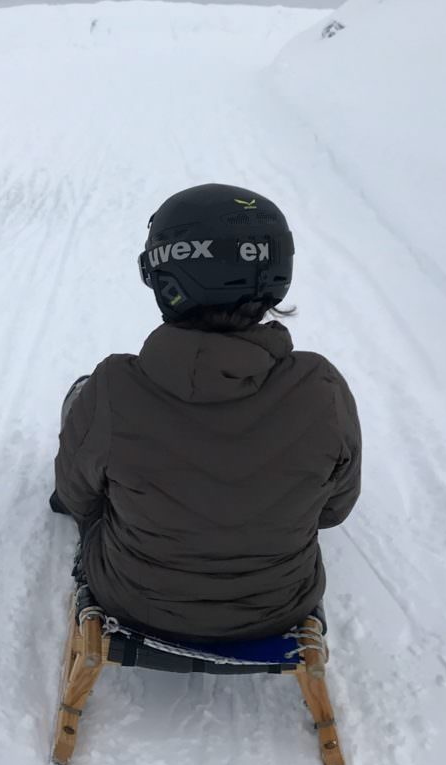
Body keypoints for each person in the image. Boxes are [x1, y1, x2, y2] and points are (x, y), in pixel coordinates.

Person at [52, 184, 362, 641]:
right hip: (280, 605)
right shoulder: (322, 386)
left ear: (166, 276)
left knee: (82, 406)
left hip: (134, 600)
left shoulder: (113, 387)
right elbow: (334, 510)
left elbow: (78, 498)